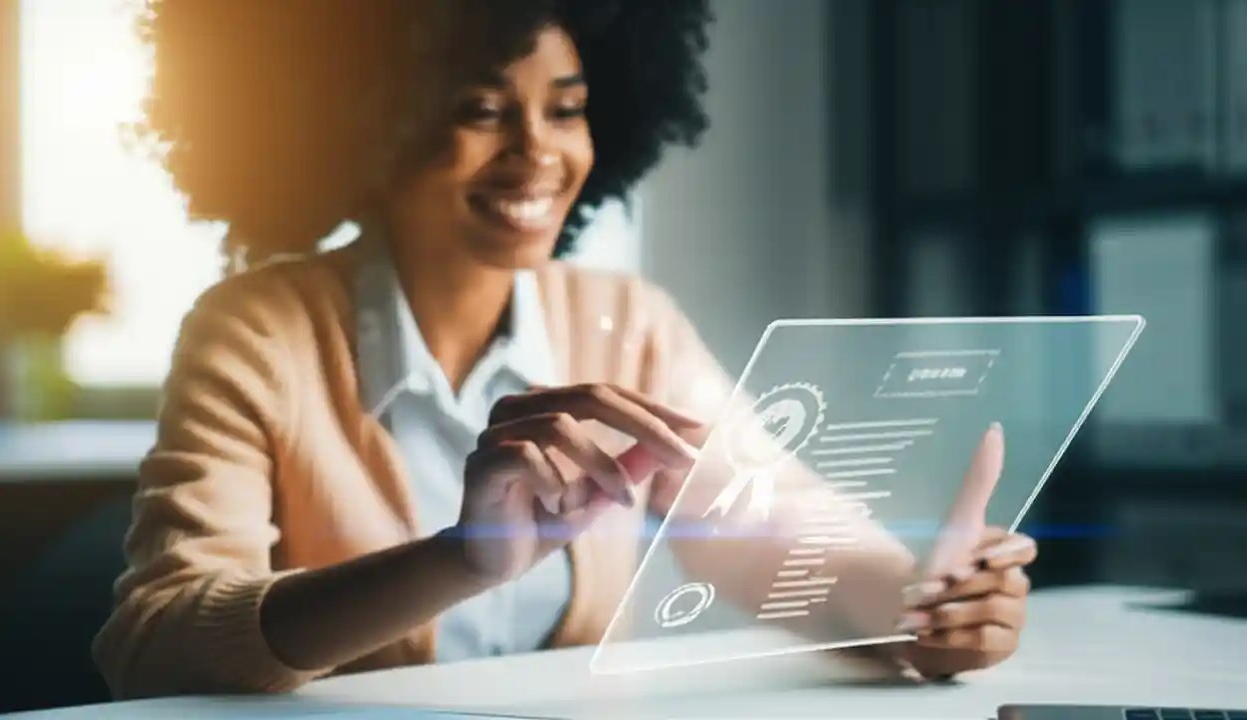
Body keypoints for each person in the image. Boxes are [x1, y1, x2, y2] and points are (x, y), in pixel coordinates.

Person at [92, 0, 1038, 699]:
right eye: (480, 109)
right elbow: (156, 642)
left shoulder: (626, 322)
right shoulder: (257, 332)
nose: (538, 151)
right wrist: (461, 559)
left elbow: (768, 531)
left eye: (568, 108)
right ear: (370, 119)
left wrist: (923, 606)